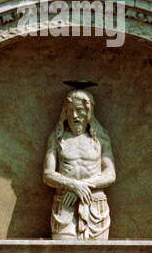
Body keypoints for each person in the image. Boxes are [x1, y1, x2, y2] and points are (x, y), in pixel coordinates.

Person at [43, 89, 115, 239]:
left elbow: (110, 174)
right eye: (71, 111)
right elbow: (48, 174)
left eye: (80, 111)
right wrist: (72, 185)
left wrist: (83, 186)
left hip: (95, 205)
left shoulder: (100, 138)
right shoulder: (57, 138)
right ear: (65, 113)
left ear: (88, 113)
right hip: (65, 205)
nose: (75, 116)